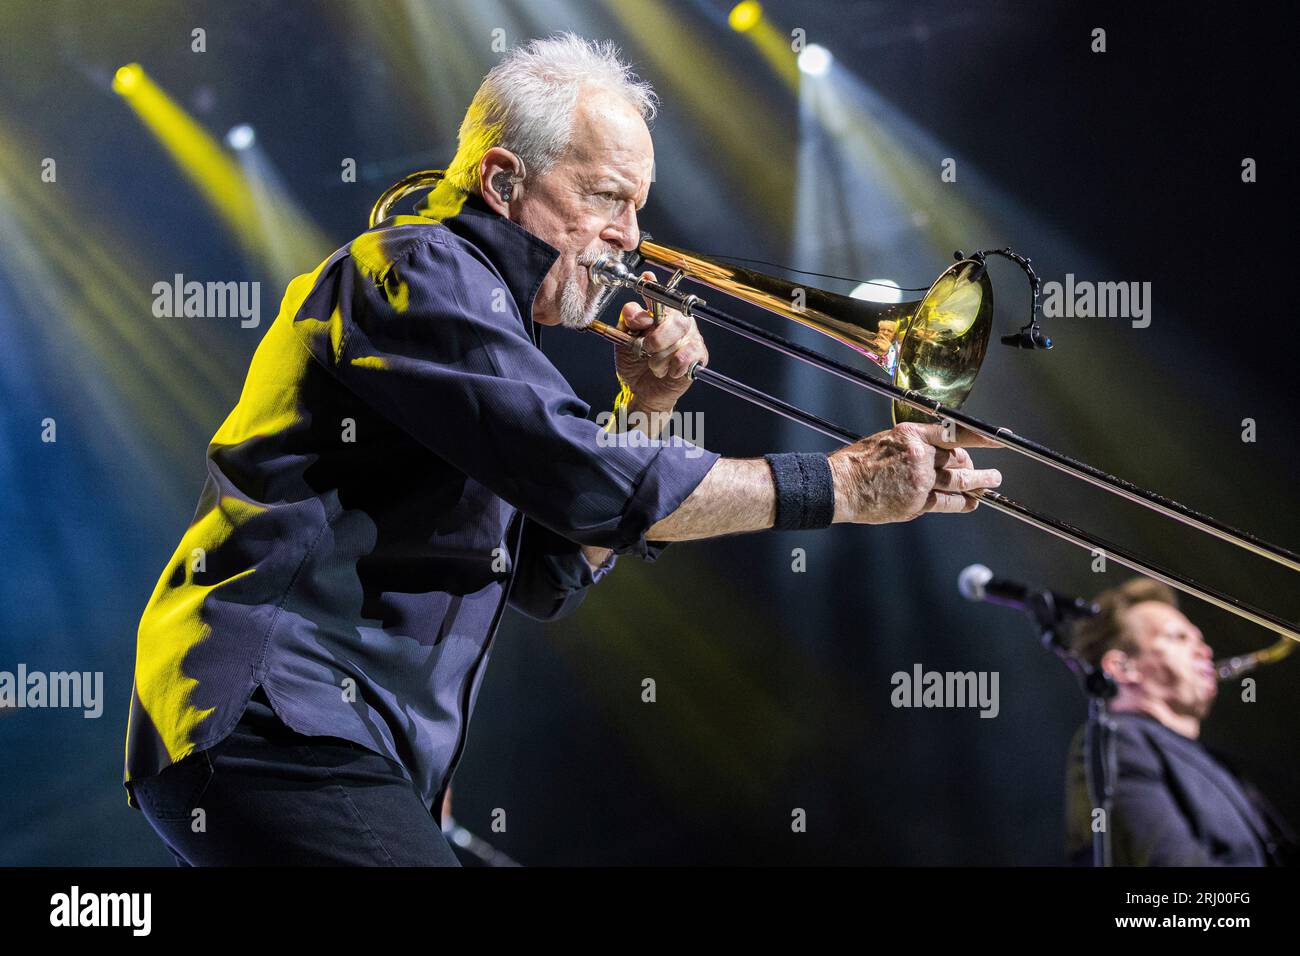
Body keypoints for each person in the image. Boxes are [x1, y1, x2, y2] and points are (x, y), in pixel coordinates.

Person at [124, 33, 1002, 865]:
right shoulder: (421, 266)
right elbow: (590, 485)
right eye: (607, 197)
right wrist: (841, 484)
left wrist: (648, 403)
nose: (634, 236)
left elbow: (550, 570)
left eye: (639, 207)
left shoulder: (490, 318)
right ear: (504, 182)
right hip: (273, 716)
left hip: (340, 740)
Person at [1064, 577, 1295, 866]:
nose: (1205, 651)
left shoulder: (1202, 758)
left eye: (1199, 639)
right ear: (1122, 667)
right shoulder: (1117, 741)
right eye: (1179, 638)